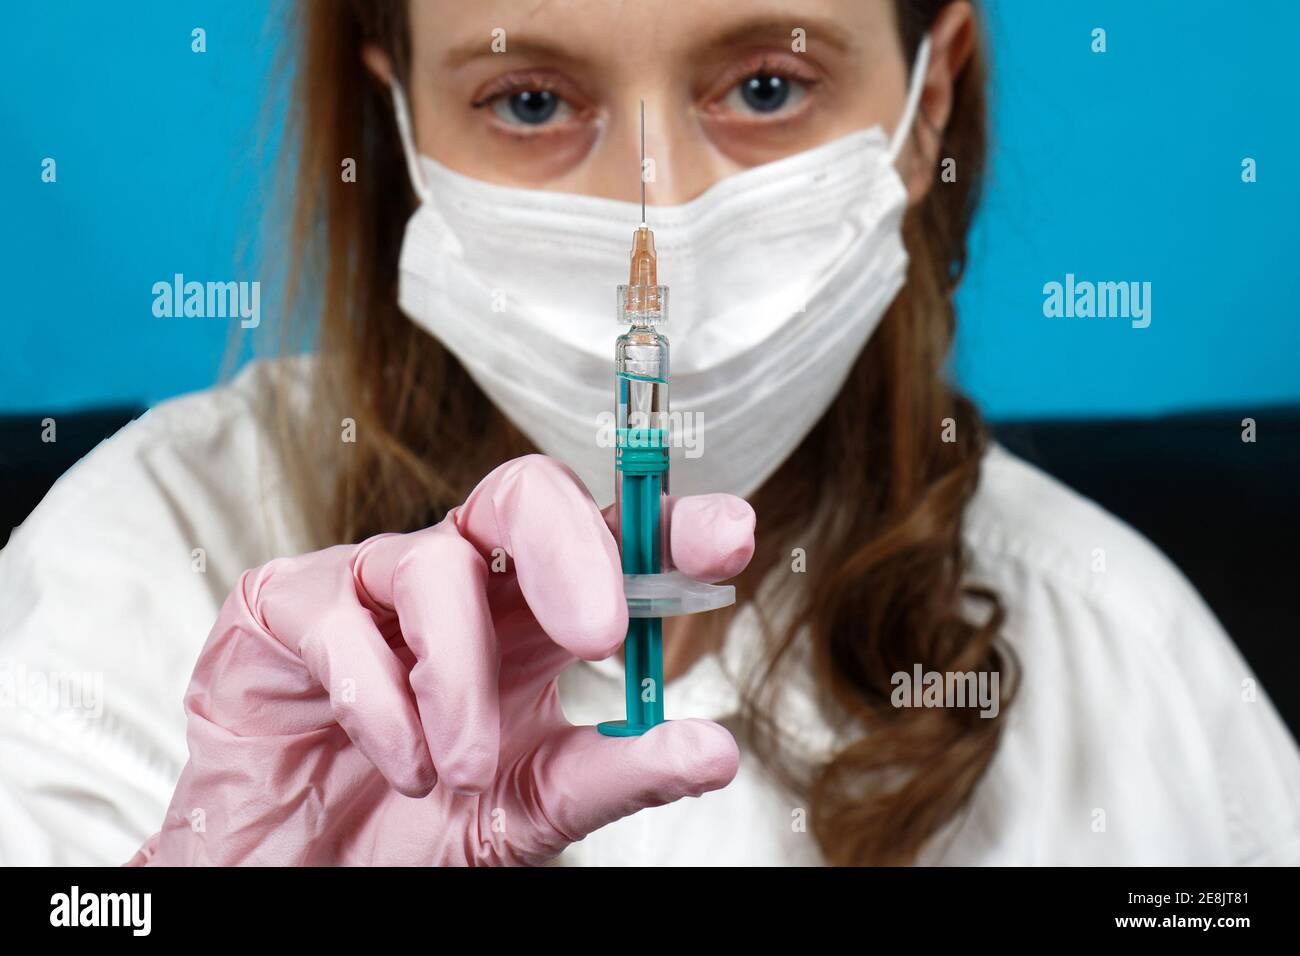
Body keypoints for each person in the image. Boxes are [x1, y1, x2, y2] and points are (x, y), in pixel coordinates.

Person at [1, 0, 1297, 866]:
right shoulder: (144, 576)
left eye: (768, 84)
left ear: (929, 104)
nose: (655, 232)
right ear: (398, 120)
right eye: (528, 102)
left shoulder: (1131, 665)